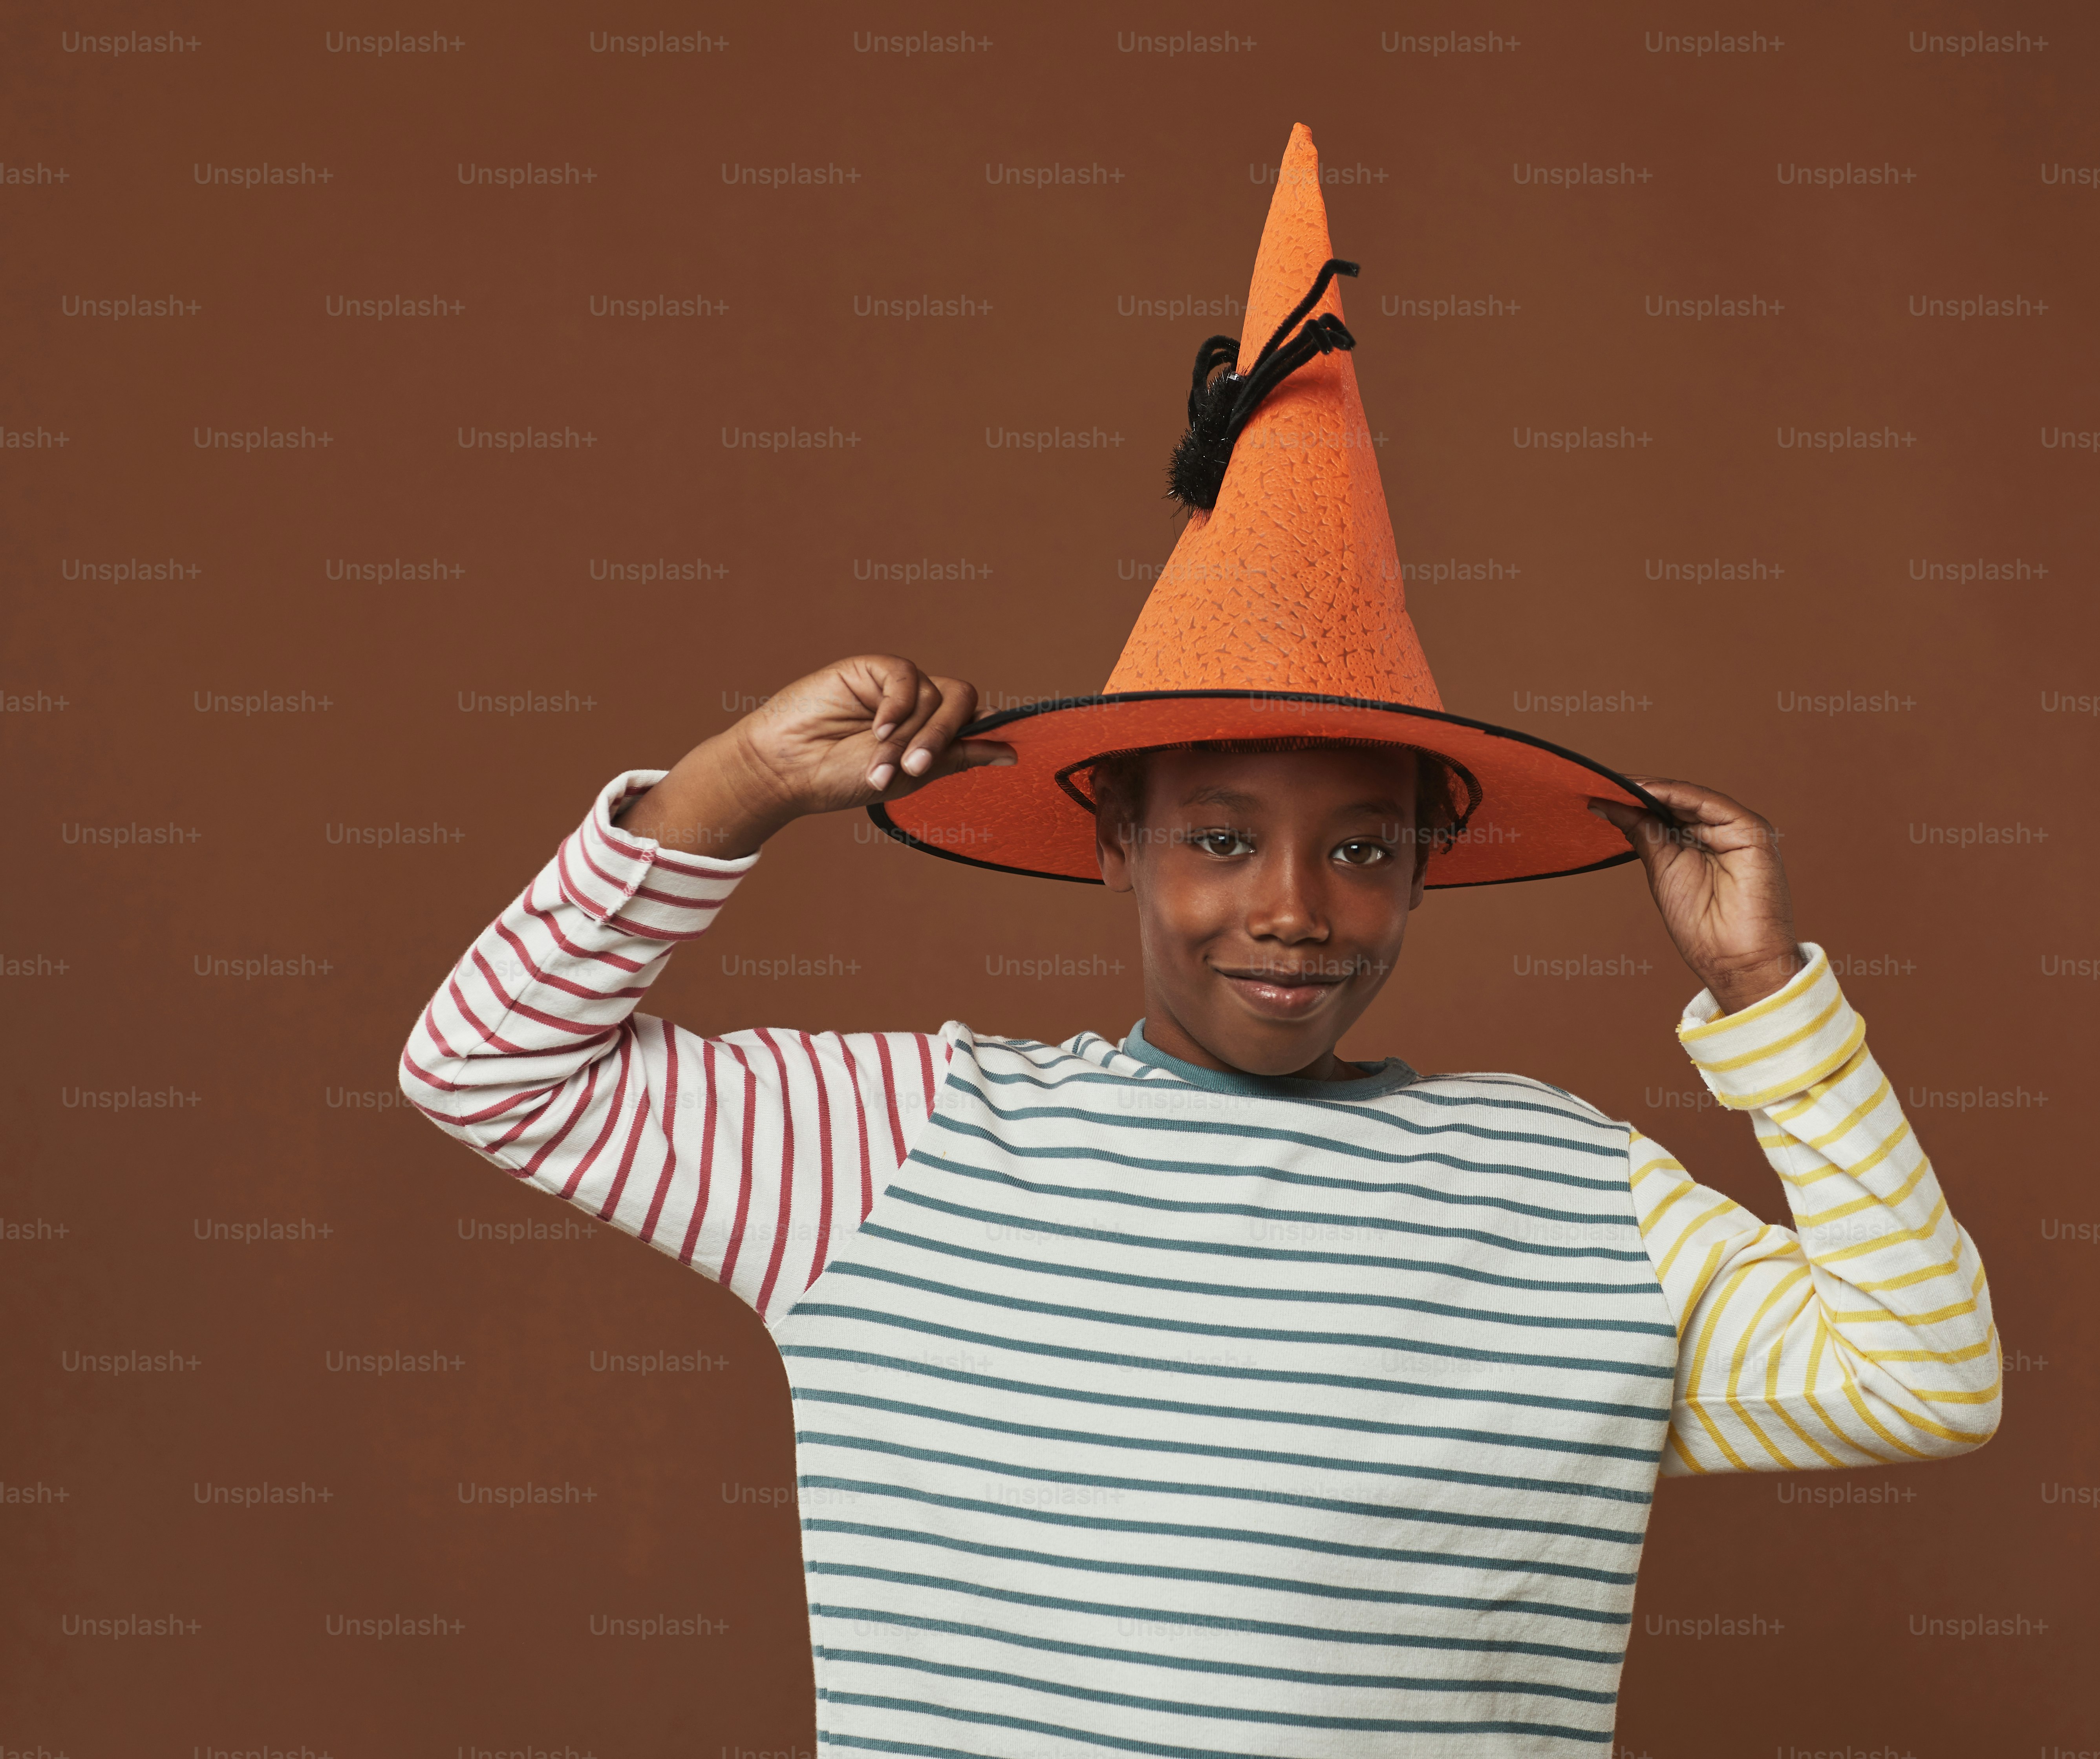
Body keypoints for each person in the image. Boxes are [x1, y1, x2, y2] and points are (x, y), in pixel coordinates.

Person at [402, 123, 1998, 1758]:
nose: (1295, 907)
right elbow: (489, 1068)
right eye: (1222, 839)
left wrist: (1763, 993)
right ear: (1115, 844)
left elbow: (1922, 1372)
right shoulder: (898, 1152)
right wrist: (732, 783)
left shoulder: (1567, 1195)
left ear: (1431, 866)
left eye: (1365, 847)